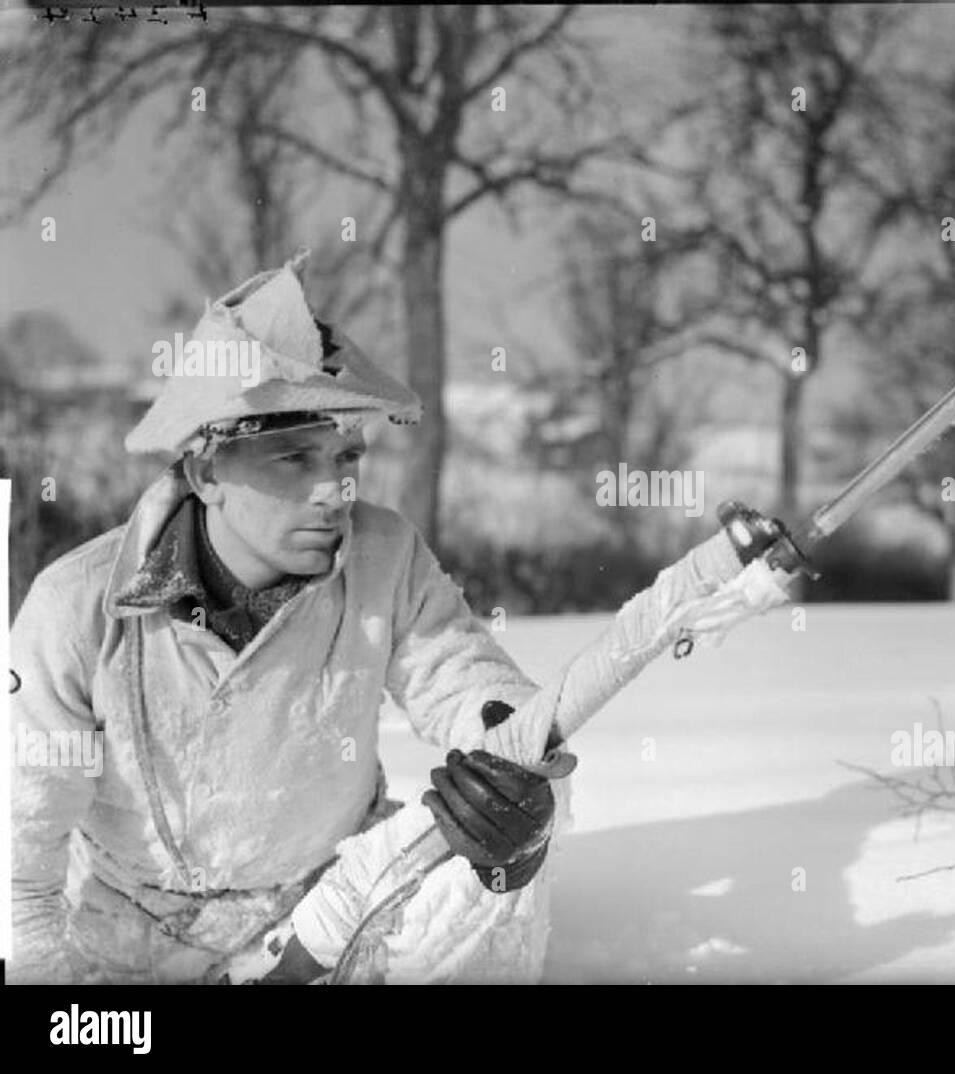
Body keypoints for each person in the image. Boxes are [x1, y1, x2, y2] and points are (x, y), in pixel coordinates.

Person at [9, 252, 571, 984]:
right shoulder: (76, 607)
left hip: (329, 909)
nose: (334, 490)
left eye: (346, 457)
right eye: (294, 458)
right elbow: (22, 857)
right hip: (125, 941)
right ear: (206, 471)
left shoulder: (384, 556)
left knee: (492, 879)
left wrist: (512, 790)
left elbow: (466, 680)